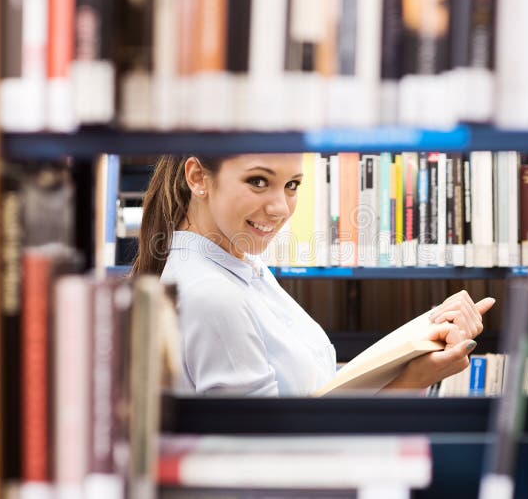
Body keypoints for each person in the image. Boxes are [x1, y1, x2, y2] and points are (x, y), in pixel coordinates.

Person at [132, 153, 495, 396]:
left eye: (292, 185)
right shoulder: (212, 294)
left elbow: (318, 402)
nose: (279, 208)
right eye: (258, 181)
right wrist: (412, 380)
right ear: (198, 177)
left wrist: (421, 335)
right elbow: (268, 462)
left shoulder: (243, 268)